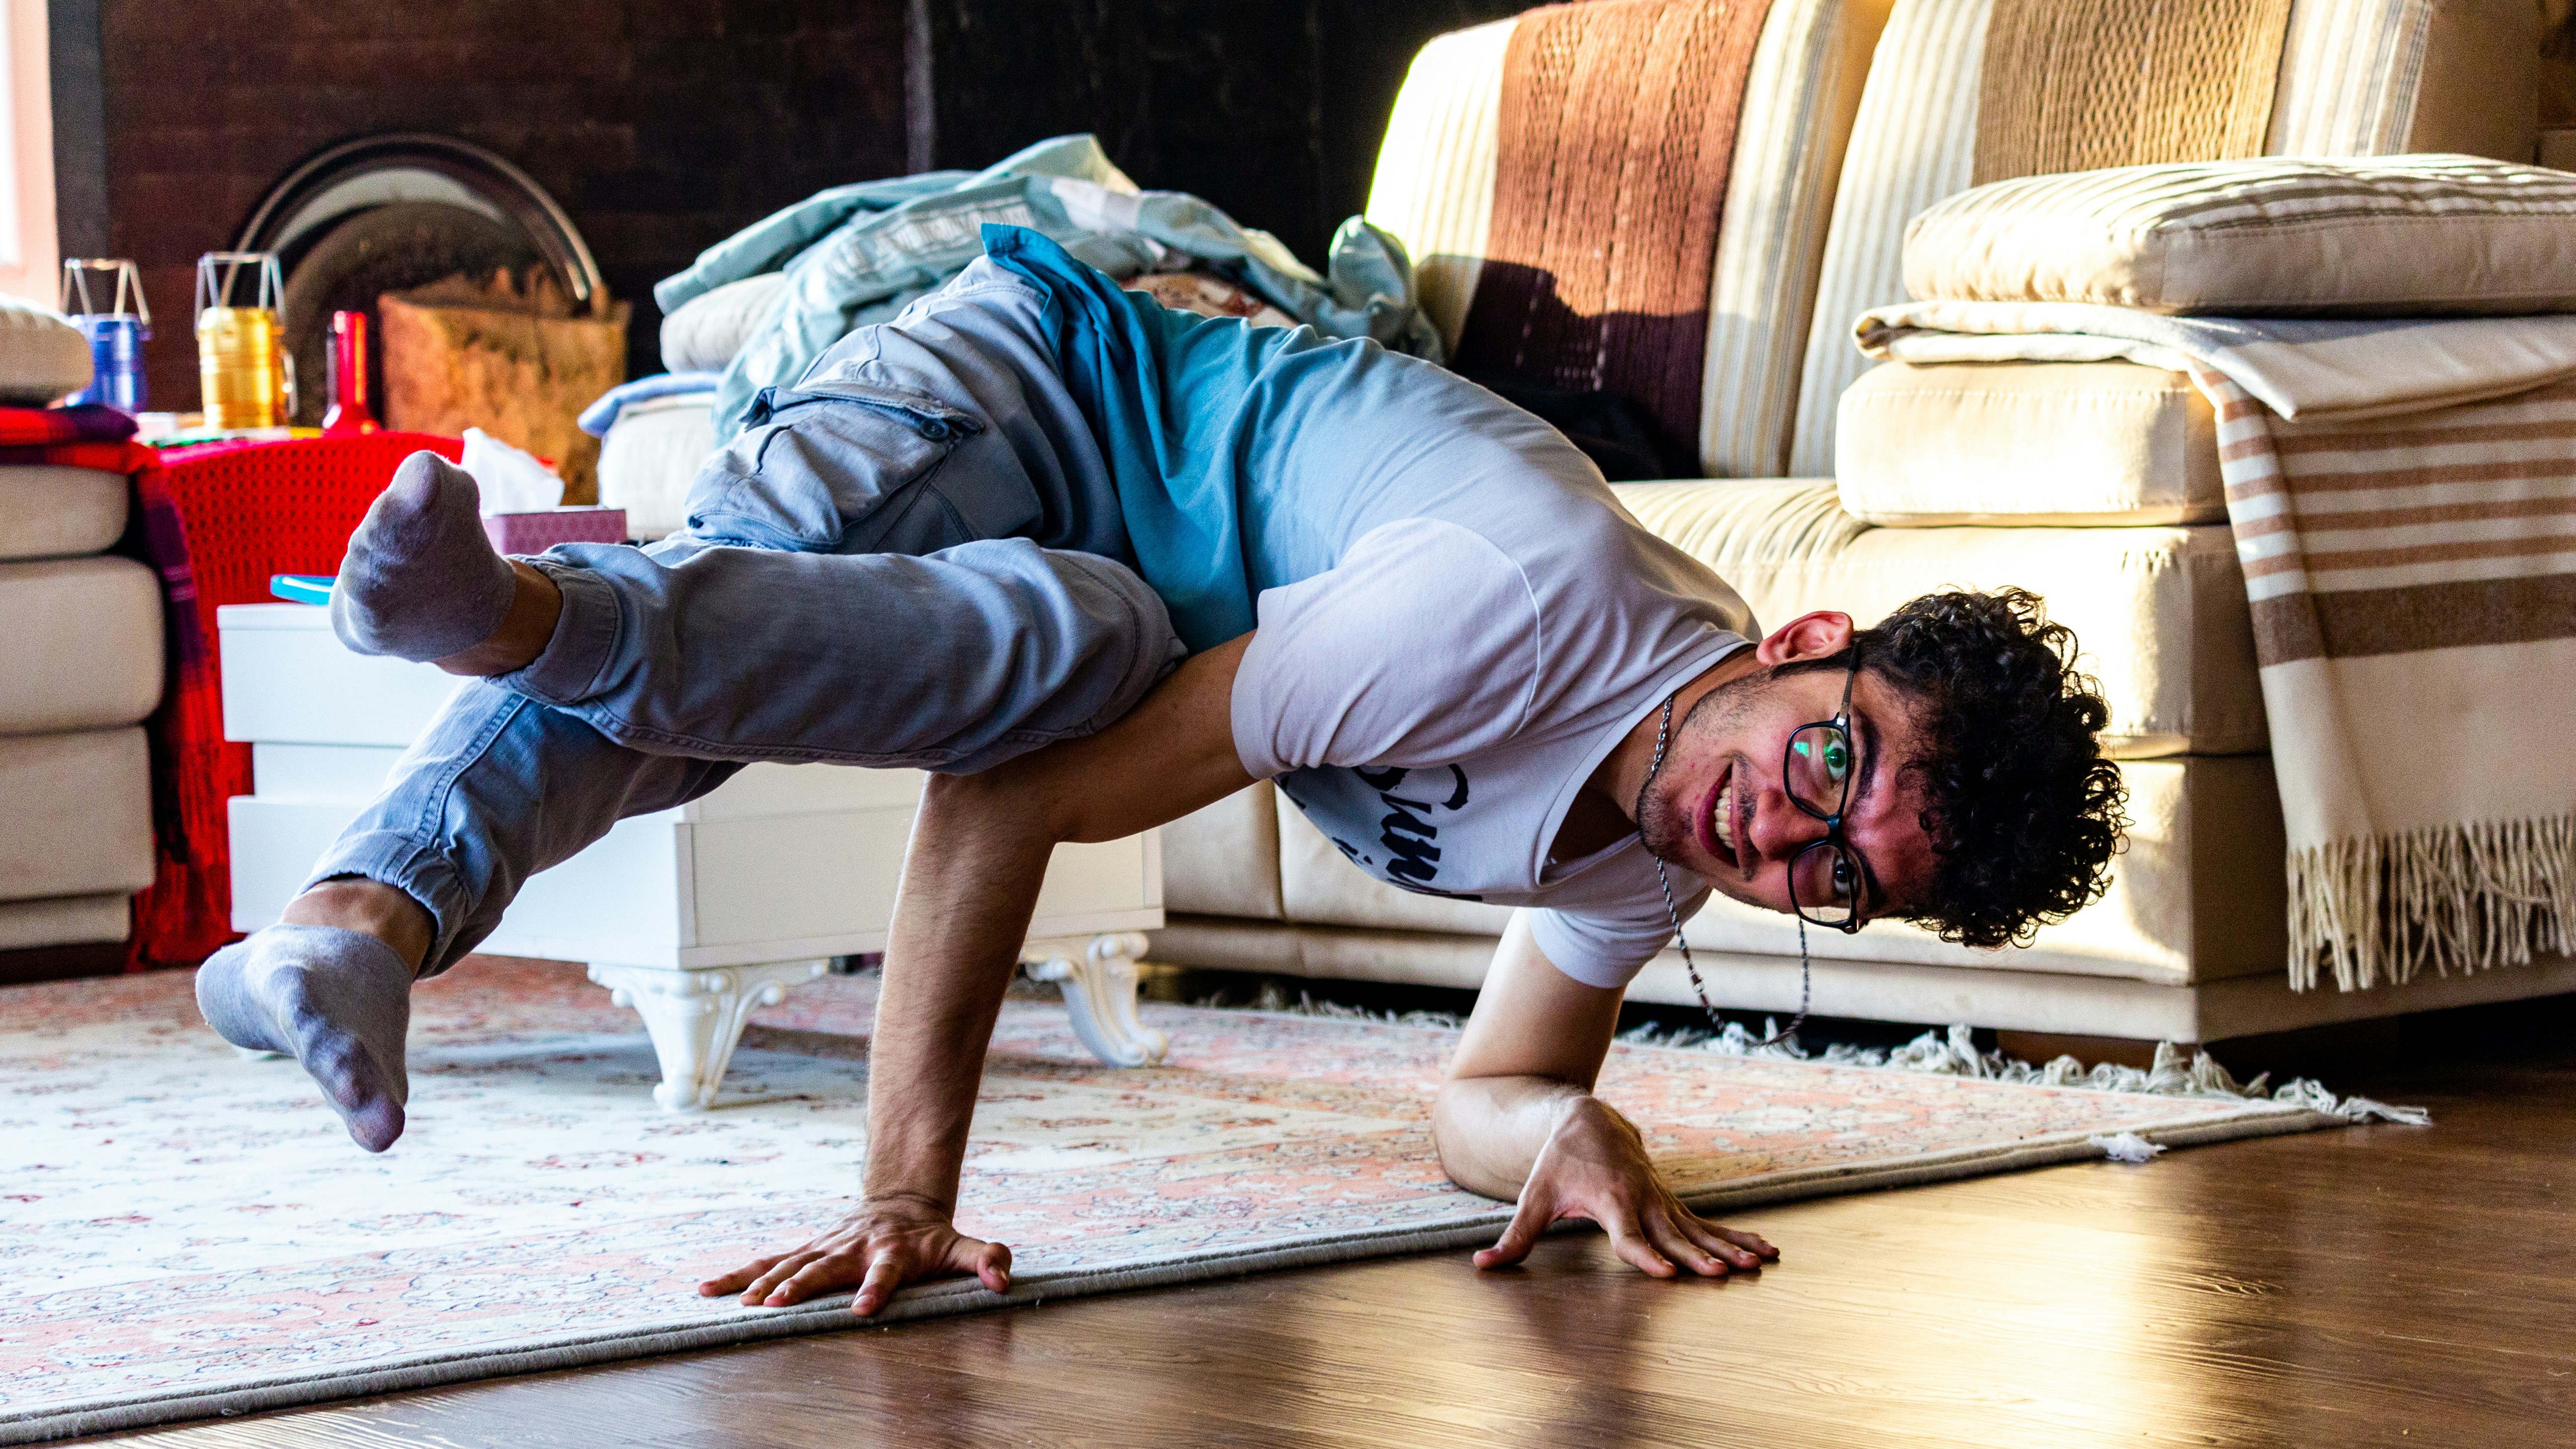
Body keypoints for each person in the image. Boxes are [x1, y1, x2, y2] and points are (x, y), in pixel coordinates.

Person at [195, 226, 2127, 1315]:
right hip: (1024, 385)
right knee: (920, 673)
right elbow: (1003, 797)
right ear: (1805, 642)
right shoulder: (1512, 608)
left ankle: (407, 830)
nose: (1781, 833)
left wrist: (1568, 1132)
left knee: (1083, 647)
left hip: (1113, 593)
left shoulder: (1655, 856)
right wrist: (905, 1195)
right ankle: (468, 731)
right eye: (1829, 758)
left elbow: (1487, 1090)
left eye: (1839, 875)